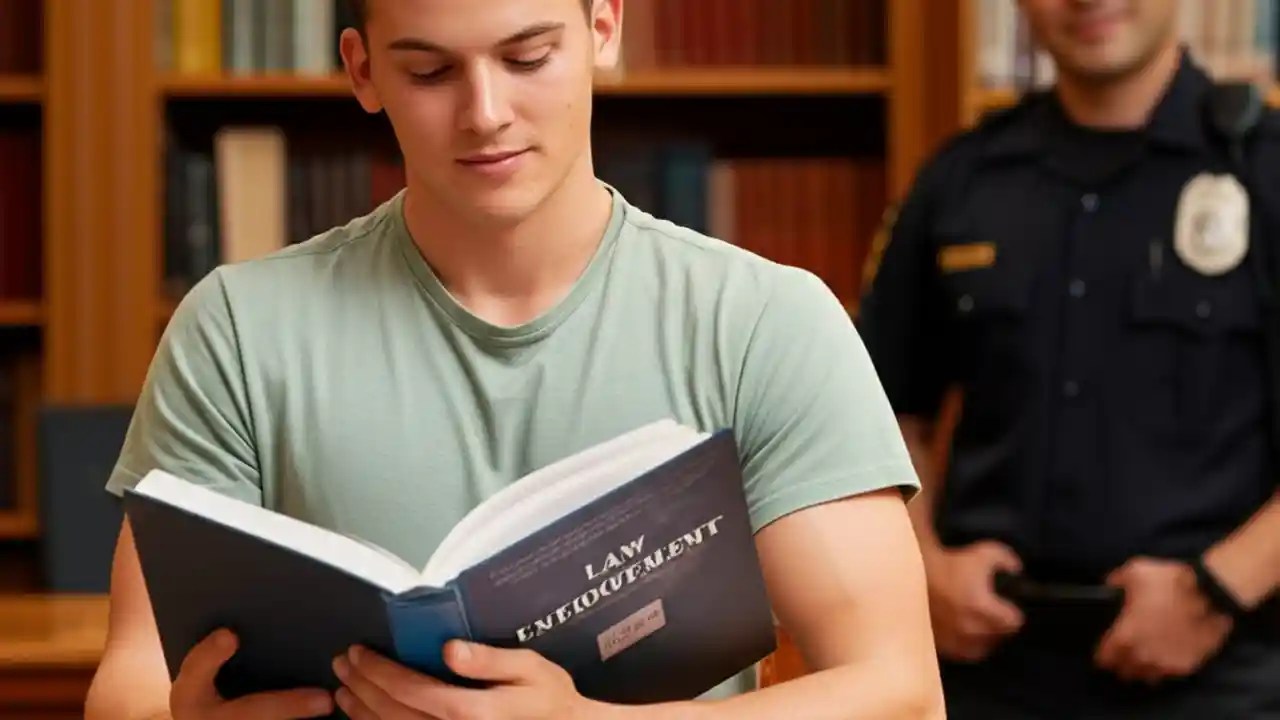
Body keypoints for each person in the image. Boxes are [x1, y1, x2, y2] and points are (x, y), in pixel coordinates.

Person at [82, 1, 945, 719]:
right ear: (363, 72)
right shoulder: (238, 329)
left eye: (528, 58)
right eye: (430, 72)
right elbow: (131, 681)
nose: (485, 112)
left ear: (603, 28)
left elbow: (899, 693)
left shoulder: (763, 322)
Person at [857, 0, 1280, 717]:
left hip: (1222, 670)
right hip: (992, 667)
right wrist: (924, 566)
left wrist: (1212, 593)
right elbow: (880, 411)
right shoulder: (962, 179)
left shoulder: (1265, 168)